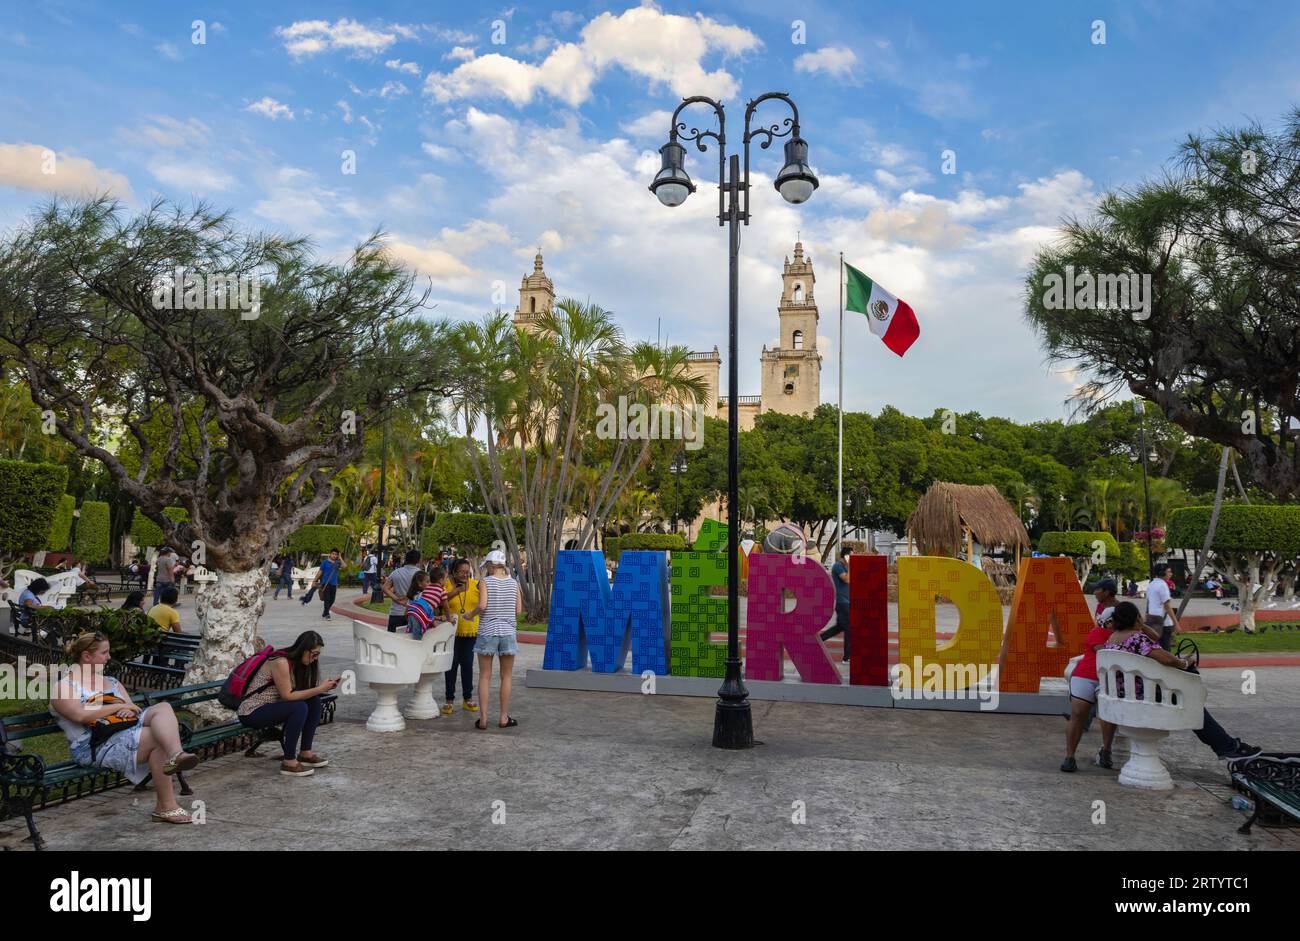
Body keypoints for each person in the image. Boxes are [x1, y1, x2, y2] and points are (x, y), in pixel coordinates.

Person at [51, 632, 199, 824]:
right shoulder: (65, 687)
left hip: (124, 732)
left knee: (163, 707)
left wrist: (130, 712)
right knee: (156, 738)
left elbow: (133, 711)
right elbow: (80, 715)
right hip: (93, 746)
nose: (109, 657)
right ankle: (166, 806)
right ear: (86, 656)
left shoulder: (112, 682)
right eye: (104, 653)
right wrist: (119, 706)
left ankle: (176, 754)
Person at [1102, 602, 1261, 761]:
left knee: (1189, 700)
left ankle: (1226, 745)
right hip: (1146, 696)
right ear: (1137, 618)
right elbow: (1166, 658)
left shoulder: (1112, 639)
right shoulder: (1137, 639)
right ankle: (1227, 747)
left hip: (1123, 696)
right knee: (1192, 703)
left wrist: (1139, 625)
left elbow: (1154, 638)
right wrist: (1184, 663)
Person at [236, 630, 339, 777]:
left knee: (314, 701)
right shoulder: (281, 662)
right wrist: (319, 688)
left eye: (318, 655)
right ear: (304, 650)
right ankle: (289, 761)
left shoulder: (299, 663)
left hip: (271, 707)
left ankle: (305, 753)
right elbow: (288, 696)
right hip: (252, 711)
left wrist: (319, 689)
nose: (315, 658)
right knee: (298, 707)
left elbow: (301, 693)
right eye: (314, 654)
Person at [1061, 590, 1119, 772]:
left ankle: (1106, 751)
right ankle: (1069, 756)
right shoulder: (1098, 632)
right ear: (1108, 621)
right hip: (1086, 676)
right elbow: (1103, 652)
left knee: (1107, 715)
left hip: (1106, 678)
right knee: (1078, 714)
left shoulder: (1126, 634)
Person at [471, 549, 520, 730]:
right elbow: (519, 610)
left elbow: (482, 605)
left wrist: (471, 614)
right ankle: (503, 717)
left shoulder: (486, 582)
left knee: (485, 676)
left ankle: (483, 719)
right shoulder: (514, 583)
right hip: (508, 632)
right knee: (506, 676)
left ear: (492, 565)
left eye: (488, 566)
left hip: (487, 631)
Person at [442, 558, 480, 716]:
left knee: (468, 665)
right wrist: (454, 592)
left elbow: (483, 603)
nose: (465, 575)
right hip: (451, 632)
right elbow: (439, 602)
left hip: (470, 631)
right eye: (461, 572)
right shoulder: (447, 584)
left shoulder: (476, 584)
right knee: (451, 666)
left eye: (467, 572)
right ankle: (449, 700)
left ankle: (467, 699)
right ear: (454, 572)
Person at [818, 546, 853, 661]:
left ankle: (818, 640)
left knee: (839, 627)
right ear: (846, 556)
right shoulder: (838, 566)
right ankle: (847, 657)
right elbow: (846, 579)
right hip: (841, 601)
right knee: (848, 629)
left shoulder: (845, 567)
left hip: (846, 601)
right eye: (851, 555)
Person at [382, 549, 423, 632]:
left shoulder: (396, 572)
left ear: (406, 559)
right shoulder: (421, 575)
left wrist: (396, 598)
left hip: (396, 612)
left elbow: (385, 588)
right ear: (418, 560)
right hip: (414, 613)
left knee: (393, 641)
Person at [404, 569, 448, 639]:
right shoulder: (422, 595)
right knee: (417, 639)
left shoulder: (417, 595)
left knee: (411, 634)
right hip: (418, 616)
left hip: (412, 614)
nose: (430, 584)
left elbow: (407, 611)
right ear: (419, 583)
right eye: (427, 582)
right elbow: (424, 610)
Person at [1145, 565, 1180, 648]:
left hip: (1152, 620)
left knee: (1155, 648)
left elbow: (1148, 603)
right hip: (1164, 623)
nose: (1171, 574)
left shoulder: (1151, 584)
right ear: (1162, 573)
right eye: (1169, 571)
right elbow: (1167, 605)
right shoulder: (1162, 585)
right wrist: (1176, 623)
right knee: (1165, 649)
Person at [311, 548, 342, 620]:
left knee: (332, 600)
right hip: (325, 583)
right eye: (333, 554)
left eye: (336, 554)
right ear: (330, 554)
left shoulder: (338, 563)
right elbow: (320, 572)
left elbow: (345, 566)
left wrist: (340, 557)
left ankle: (325, 612)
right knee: (327, 599)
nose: (334, 555)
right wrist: (314, 581)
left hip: (334, 584)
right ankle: (327, 614)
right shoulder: (325, 562)